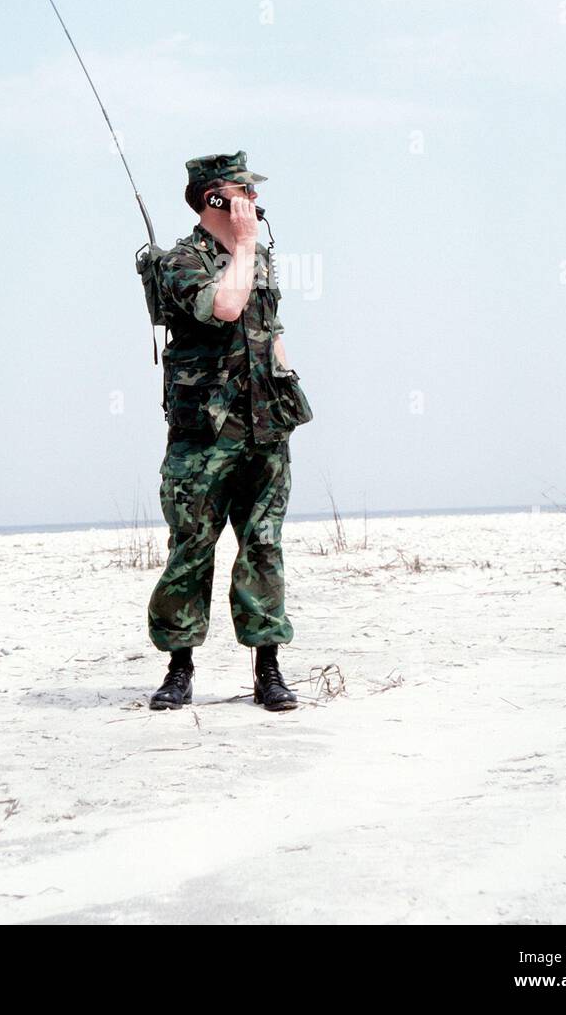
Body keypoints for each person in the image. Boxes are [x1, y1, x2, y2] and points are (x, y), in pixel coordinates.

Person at [147, 150, 313, 712]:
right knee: (192, 549)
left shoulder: (257, 256)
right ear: (214, 198)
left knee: (263, 547)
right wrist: (242, 247)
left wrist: (285, 374)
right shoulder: (180, 262)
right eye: (245, 191)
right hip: (205, 436)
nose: (256, 201)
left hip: (265, 426)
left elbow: (269, 321)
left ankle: (268, 668)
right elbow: (225, 306)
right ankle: (179, 668)